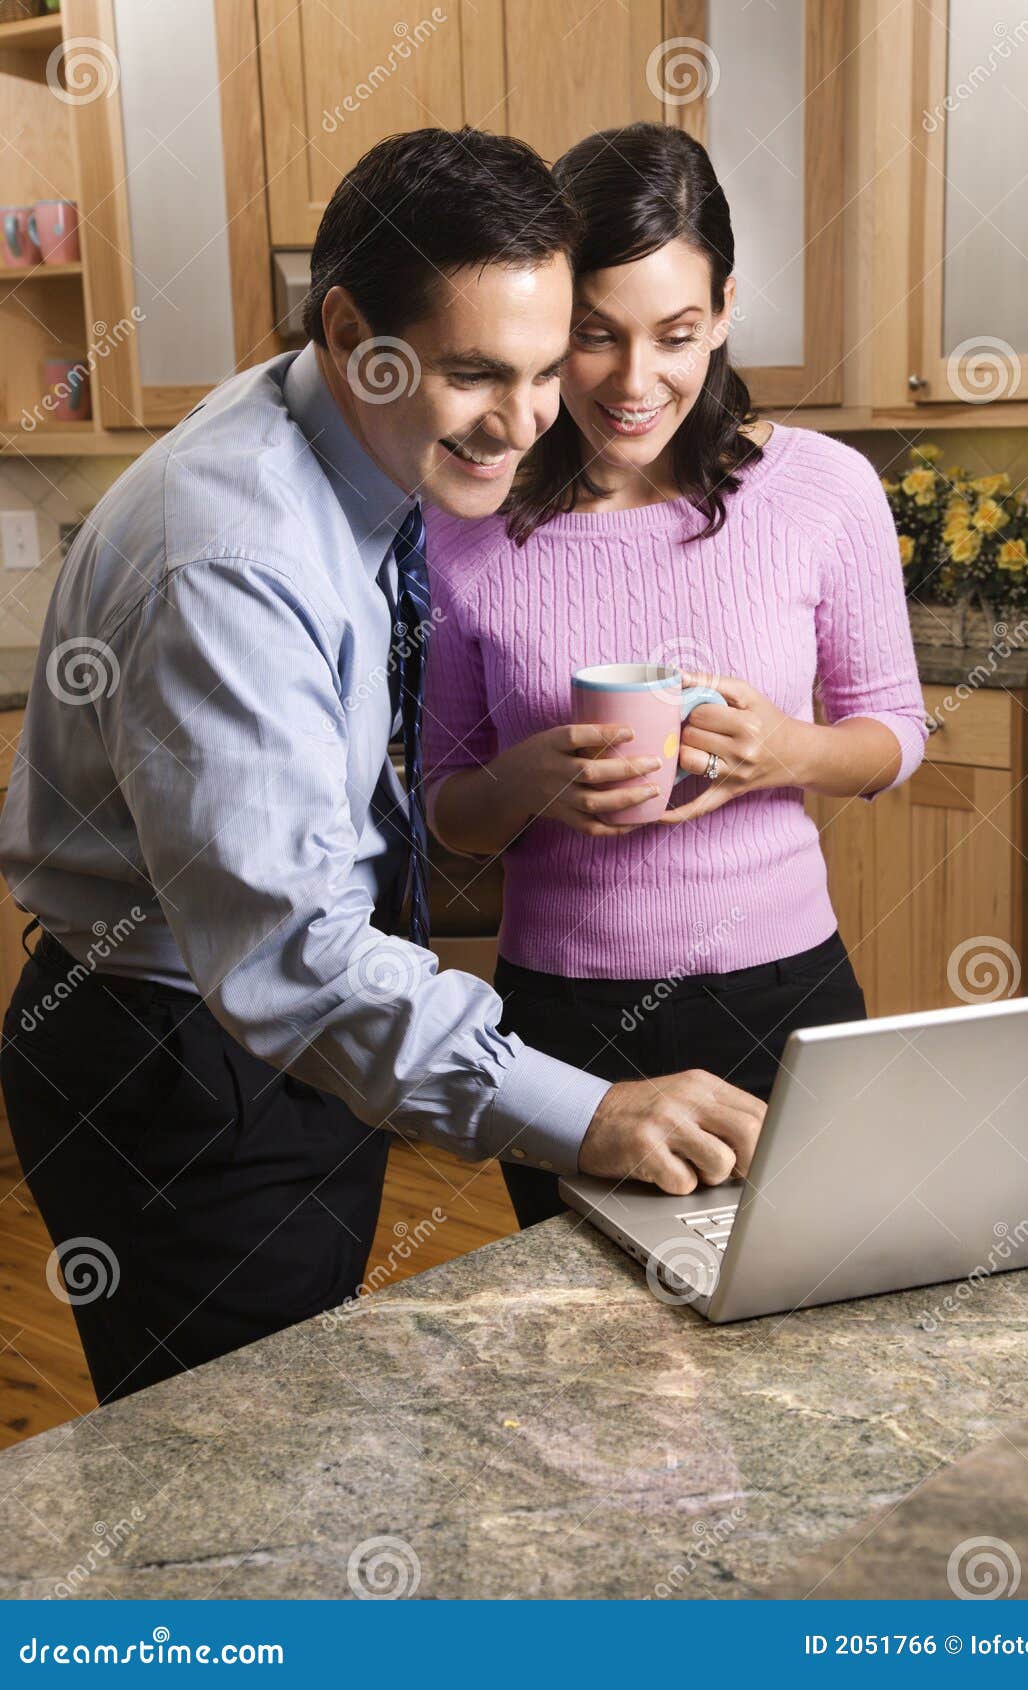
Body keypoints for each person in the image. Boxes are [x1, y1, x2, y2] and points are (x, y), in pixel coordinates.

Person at [0, 127, 765, 1404]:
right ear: (352, 328)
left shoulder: (348, 433)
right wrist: (590, 1113)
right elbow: (293, 960)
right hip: (183, 1061)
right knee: (242, 1473)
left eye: (537, 370)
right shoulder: (234, 561)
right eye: (477, 374)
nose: (523, 421)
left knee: (299, 1426)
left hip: (258, 1035)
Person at [423, 122, 928, 1230]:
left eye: (677, 333)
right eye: (595, 336)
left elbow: (894, 731)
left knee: (802, 1320)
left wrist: (788, 752)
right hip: (558, 1024)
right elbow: (449, 810)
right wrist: (526, 784)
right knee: (586, 1348)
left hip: (781, 989)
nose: (635, 381)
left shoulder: (822, 491)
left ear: (726, 310)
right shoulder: (464, 525)